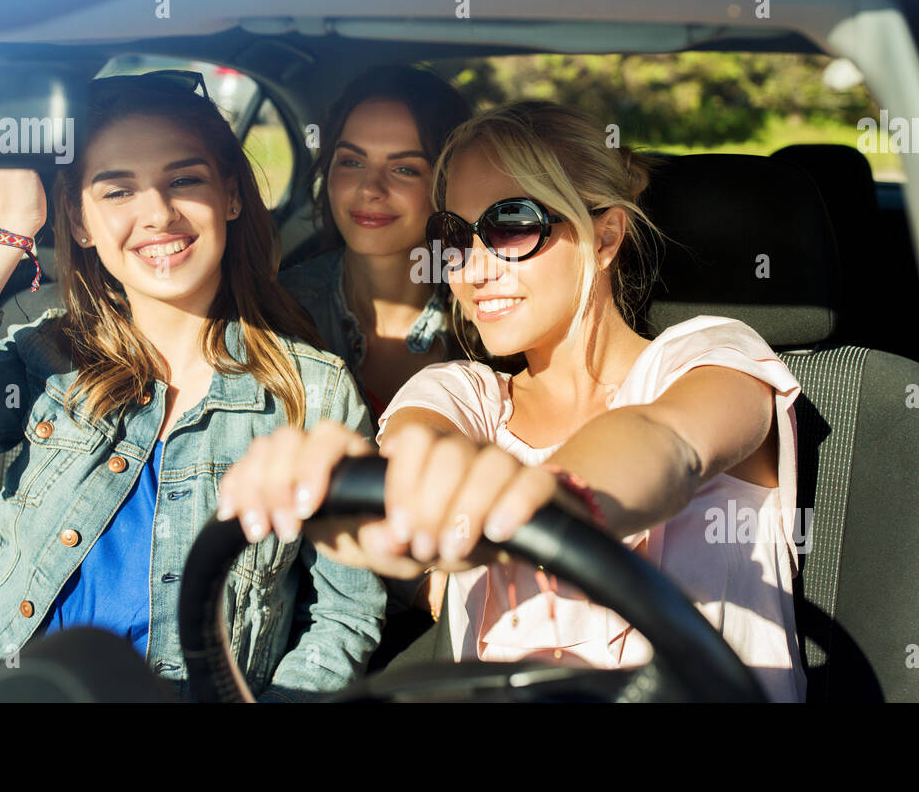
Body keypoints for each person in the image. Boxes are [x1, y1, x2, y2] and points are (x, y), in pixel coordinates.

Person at [0, 71, 384, 703]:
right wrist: (11, 222)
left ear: (230, 195)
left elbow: (344, 613)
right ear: (80, 225)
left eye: (184, 180)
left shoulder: (311, 392)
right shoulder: (50, 354)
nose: (158, 214)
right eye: (117, 191)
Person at [216, 100, 809, 701]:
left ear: (604, 238)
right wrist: (363, 495)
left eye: (513, 225)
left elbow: (667, 442)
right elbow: (418, 450)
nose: (473, 270)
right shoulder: (459, 390)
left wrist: (548, 504)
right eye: (455, 237)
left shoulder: (709, 357)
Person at [279, 65, 472, 421]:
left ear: (448, 184)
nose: (370, 188)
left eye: (404, 169)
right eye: (352, 161)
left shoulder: (487, 311)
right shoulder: (278, 312)